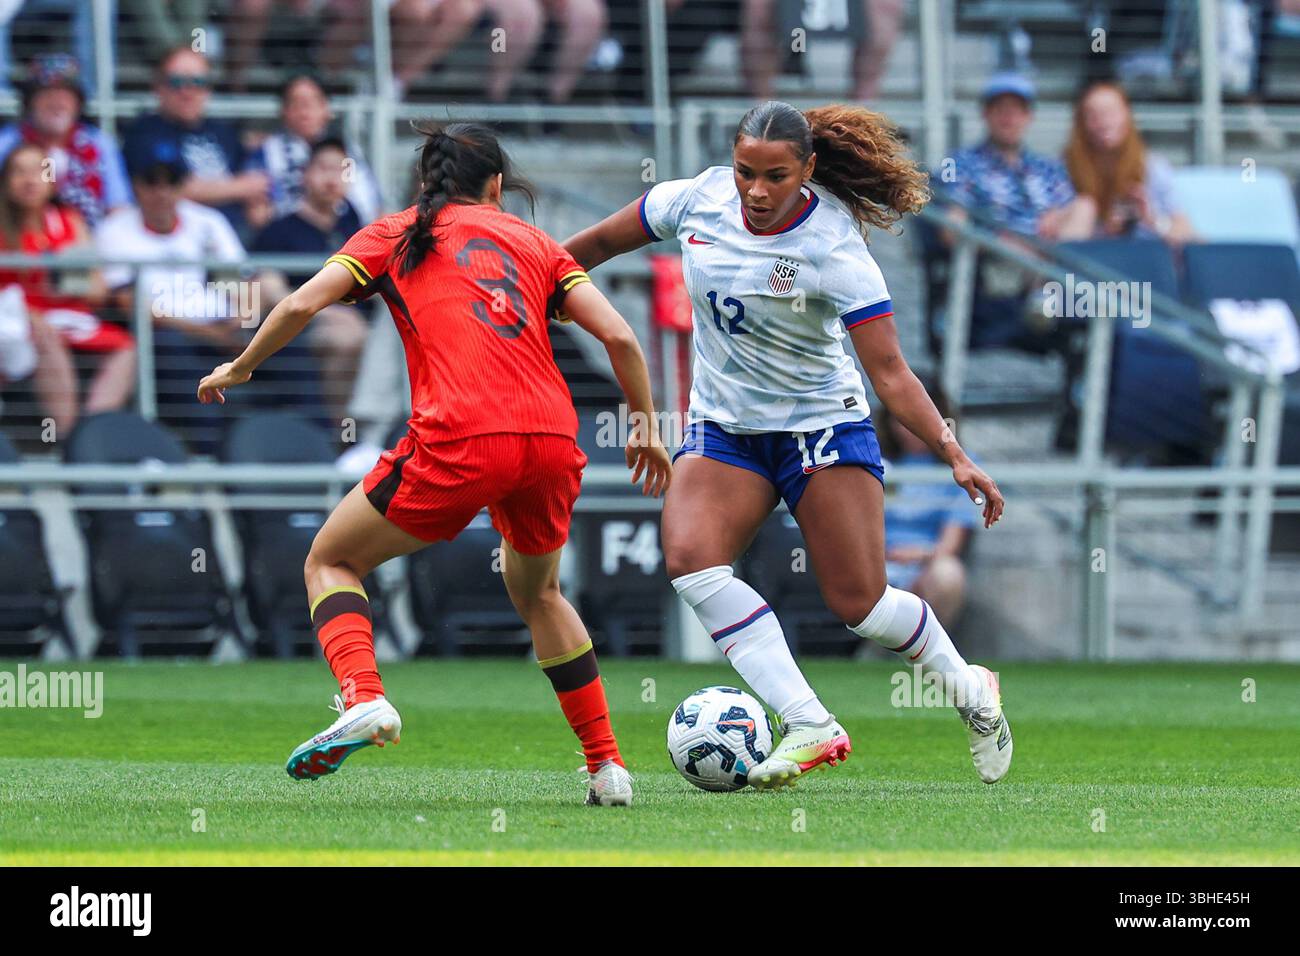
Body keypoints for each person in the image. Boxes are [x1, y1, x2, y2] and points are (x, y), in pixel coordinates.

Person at [196, 123, 672, 806]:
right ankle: (608, 767)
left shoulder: (395, 233)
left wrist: (241, 366)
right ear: (497, 185)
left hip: (461, 437)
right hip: (548, 441)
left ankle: (364, 696)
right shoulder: (536, 243)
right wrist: (646, 426)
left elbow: (302, 300)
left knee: (330, 562)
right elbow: (621, 335)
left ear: (428, 184)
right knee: (541, 595)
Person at [563, 100, 1012, 789]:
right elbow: (584, 253)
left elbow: (889, 371)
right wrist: (518, 291)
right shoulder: (693, 202)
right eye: (746, 172)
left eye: (776, 176)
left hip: (821, 427)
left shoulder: (834, 248)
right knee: (690, 558)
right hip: (726, 427)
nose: (757, 191)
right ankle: (809, 721)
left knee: (860, 604)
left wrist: (953, 452)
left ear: (807, 170)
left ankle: (971, 689)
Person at [95, 159, 249, 454]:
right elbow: (129, 304)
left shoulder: (208, 220)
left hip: (222, 327)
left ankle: (313, 442)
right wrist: (208, 334)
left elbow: (241, 279)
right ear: (137, 187)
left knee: (284, 336)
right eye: (152, 183)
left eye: (172, 183)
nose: (162, 192)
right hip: (166, 332)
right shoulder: (114, 230)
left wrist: (244, 321)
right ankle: (210, 451)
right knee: (171, 345)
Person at [0, 143, 136, 425]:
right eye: (19, 173)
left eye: (39, 172)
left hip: (72, 316)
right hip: (21, 321)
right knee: (47, 340)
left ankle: (92, 432)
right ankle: (64, 436)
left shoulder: (69, 222)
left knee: (127, 347)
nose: (29, 181)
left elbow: (98, 288)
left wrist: (67, 285)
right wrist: (30, 313)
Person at [252, 137, 368, 423]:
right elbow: (269, 289)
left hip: (362, 322)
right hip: (304, 328)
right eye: (323, 168)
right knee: (345, 337)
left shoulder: (353, 224)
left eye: (341, 170)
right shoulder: (279, 230)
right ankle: (339, 434)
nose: (332, 179)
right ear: (305, 174)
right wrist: (328, 312)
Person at [122, 47, 271, 237]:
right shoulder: (144, 132)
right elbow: (169, 191)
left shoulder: (224, 131)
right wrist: (241, 188)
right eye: (177, 82)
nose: (187, 91)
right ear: (158, 88)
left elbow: (254, 181)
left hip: (235, 234)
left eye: (197, 82)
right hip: (178, 238)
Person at [876, 384, 974, 626]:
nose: (910, 429)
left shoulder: (962, 468)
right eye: (902, 419)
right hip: (877, 566)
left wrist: (918, 557)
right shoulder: (872, 462)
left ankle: (923, 651)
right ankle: (871, 653)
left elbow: (950, 545)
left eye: (919, 419)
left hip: (925, 567)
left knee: (948, 574)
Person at [0, 54, 132, 228]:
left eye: (65, 94)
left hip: (91, 246)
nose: (56, 102)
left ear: (78, 102)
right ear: (30, 102)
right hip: (20, 244)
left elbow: (119, 207)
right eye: (46, 94)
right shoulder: (8, 142)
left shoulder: (99, 143)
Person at [1064, 79, 1196, 245]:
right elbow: (1057, 238)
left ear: (1127, 114)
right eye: (1093, 115)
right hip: (1088, 263)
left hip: (1146, 259)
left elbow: (1192, 239)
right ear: (1081, 123)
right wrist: (1107, 230)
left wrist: (1151, 219)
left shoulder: (1153, 167)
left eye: (1111, 112)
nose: (1103, 122)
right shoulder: (1064, 169)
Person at [250, 74, 382, 223]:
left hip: (349, 234)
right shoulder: (267, 151)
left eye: (312, 102)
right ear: (283, 110)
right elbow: (257, 214)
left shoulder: (348, 152)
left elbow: (370, 202)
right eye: (297, 103)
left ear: (326, 108)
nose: (305, 111)